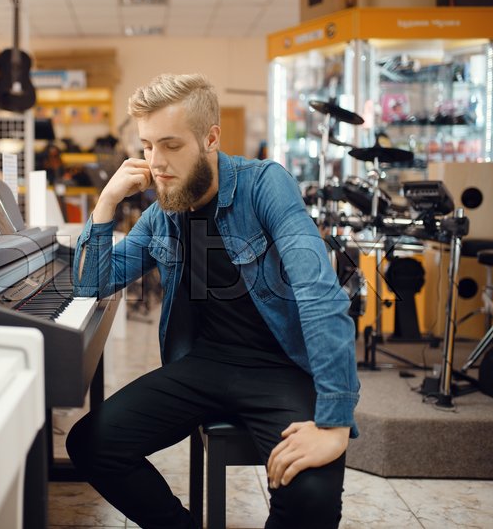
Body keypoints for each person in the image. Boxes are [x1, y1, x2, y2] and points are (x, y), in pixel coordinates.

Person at [67, 73, 360, 529]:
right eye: (146, 146)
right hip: (202, 366)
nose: (156, 162)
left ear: (210, 138)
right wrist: (105, 204)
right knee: (90, 444)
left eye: (171, 145)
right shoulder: (161, 213)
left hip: (278, 368)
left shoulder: (264, 184)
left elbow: (319, 292)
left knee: (312, 498)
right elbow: (91, 284)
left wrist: (335, 422)